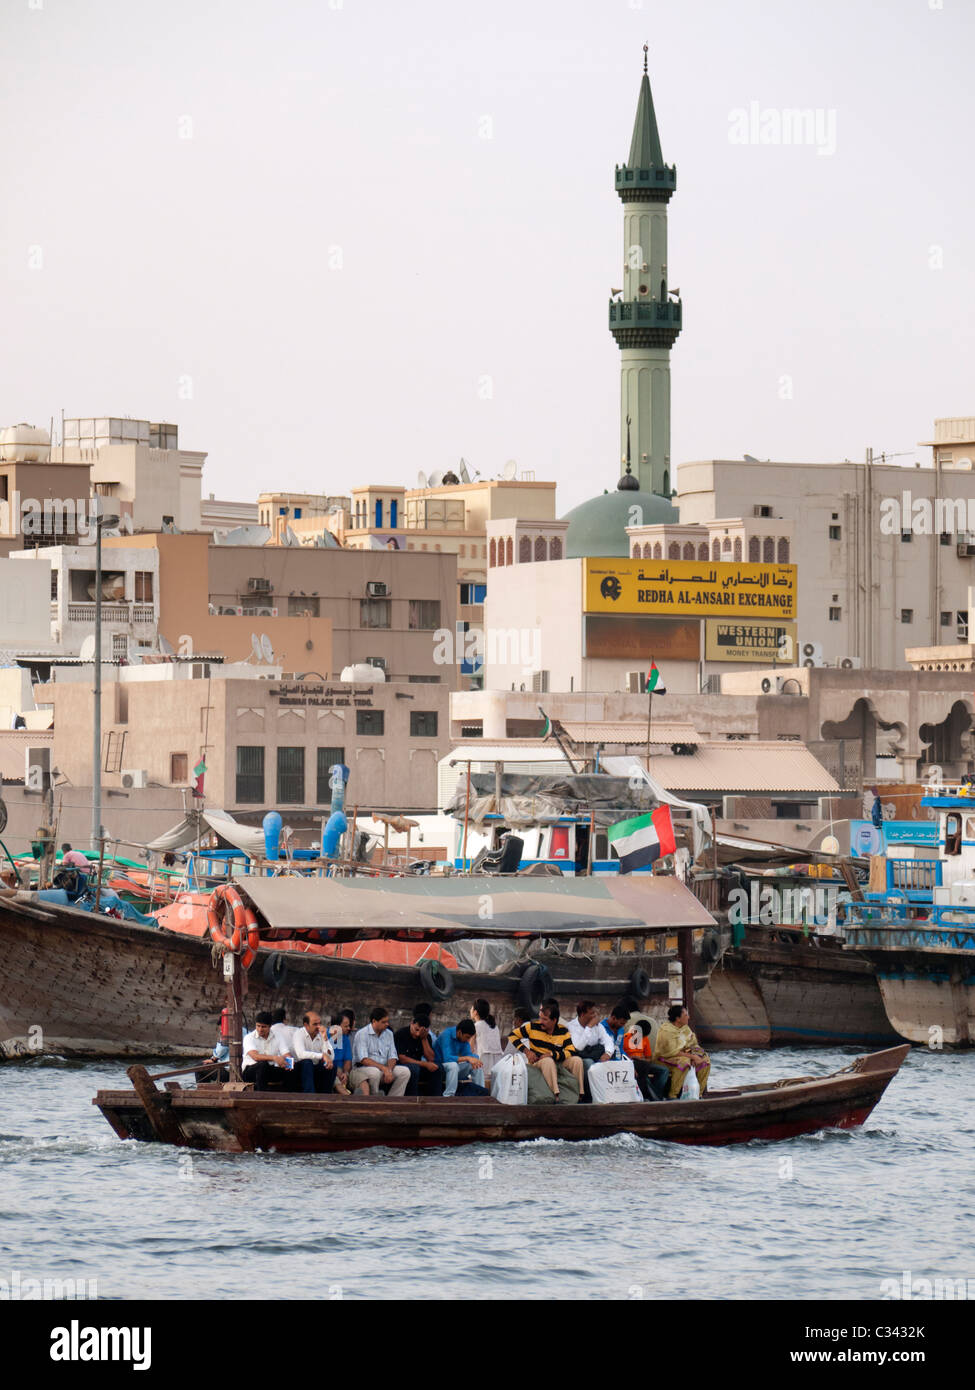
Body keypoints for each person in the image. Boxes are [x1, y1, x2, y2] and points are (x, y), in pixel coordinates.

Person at [508, 998, 584, 1103]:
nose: (541, 1022)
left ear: (554, 1020)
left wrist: (552, 1054)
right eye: (540, 1018)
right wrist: (527, 1051)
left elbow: (570, 1050)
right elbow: (512, 1035)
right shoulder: (532, 1027)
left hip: (556, 1060)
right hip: (538, 1061)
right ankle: (555, 1095)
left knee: (577, 1060)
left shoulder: (563, 1030)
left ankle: (579, 1094)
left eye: (545, 1019)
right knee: (548, 1061)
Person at [601, 1001, 664, 1101]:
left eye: (624, 1023)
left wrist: (629, 1064)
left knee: (642, 1066)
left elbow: (620, 1049)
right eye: (621, 1023)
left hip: (620, 1060)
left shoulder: (621, 1029)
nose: (623, 1025)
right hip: (607, 1061)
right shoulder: (601, 1028)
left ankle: (642, 1096)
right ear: (613, 1018)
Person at [350, 1007, 411, 1096]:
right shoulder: (362, 1033)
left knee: (405, 1072)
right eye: (383, 1022)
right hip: (363, 1069)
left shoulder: (389, 1033)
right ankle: (375, 1097)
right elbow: (364, 1059)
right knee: (375, 1072)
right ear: (374, 1021)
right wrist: (384, 1069)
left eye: (387, 1021)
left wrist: (389, 1070)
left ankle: (393, 1100)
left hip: (385, 1069)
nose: (387, 1024)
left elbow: (393, 1056)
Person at [654, 1004, 711, 1098]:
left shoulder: (685, 1029)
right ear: (678, 1019)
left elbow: (693, 1044)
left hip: (684, 1056)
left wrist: (696, 1057)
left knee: (705, 1060)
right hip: (663, 1059)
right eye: (685, 1015)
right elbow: (671, 1052)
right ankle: (672, 1095)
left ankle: (697, 1094)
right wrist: (692, 1057)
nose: (688, 1017)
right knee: (684, 1062)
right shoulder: (666, 1031)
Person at [434, 1018, 489, 1096]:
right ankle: (448, 1096)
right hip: (438, 1069)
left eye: (469, 1038)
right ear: (459, 1032)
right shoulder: (446, 1034)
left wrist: (475, 1059)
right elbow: (447, 1059)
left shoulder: (463, 1039)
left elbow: (468, 1055)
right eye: (467, 1037)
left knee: (476, 1065)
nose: (468, 1040)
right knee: (453, 1065)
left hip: (452, 1072)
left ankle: (480, 1093)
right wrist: (468, 1058)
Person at [394, 1014, 445, 1096]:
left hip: (418, 1065)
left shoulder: (425, 1036)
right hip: (403, 1065)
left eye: (420, 1031)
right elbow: (402, 1058)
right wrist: (424, 1064)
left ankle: (435, 1099)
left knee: (437, 1067)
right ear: (412, 1024)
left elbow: (431, 1058)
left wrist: (423, 1039)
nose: (417, 1034)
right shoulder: (401, 1034)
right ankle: (413, 1099)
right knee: (415, 1069)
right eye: (416, 1030)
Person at [242, 1011, 293, 1091]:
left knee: (293, 1067)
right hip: (250, 1071)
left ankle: (290, 1097)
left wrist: (289, 1064)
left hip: (269, 1068)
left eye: (263, 1027)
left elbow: (286, 1053)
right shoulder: (249, 1037)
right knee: (263, 1065)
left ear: (270, 1026)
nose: (260, 1029)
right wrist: (274, 1058)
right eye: (258, 1026)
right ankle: (261, 1096)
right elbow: (255, 1056)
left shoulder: (278, 1035)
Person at [623, 1019, 671, 1102]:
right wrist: (631, 1057)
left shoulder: (645, 1039)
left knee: (664, 1070)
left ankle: (656, 1094)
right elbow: (621, 1057)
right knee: (645, 1076)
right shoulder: (625, 1038)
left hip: (643, 1063)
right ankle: (654, 1097)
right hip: (630, 1064)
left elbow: (649, 1058)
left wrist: (641, 1058)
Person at [292, 1011, 336, 1094]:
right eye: (315, 1024)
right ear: (306, 1025)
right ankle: (310, 1095)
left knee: (331, 1065)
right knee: (307, 1062)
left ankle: (326, 1096)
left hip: (315, 1068)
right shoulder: (299, 1033)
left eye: (320, 1024)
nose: (318, 1027)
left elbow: (331, 1056)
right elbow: (300, 1054)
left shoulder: (320, 1034)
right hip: (299, 1069)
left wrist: (325, 1039)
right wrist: (322, 1055)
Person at [470, 998, 504, 1088]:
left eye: (472, 1008)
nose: (470, 1010)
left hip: (482, 1064)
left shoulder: (476, 1026)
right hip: (497, 1065)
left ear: (475, 1012)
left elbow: (470, 1048)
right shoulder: (494, 1027)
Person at [329, 1009, 355, 1094]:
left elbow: (348, 1060)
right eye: (346, 1026)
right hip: (329, 1068)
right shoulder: (324, 1036)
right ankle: (348, 1098)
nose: (349, 1028)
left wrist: (345, 1073)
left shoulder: (345, 1039)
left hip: (341, 1071)